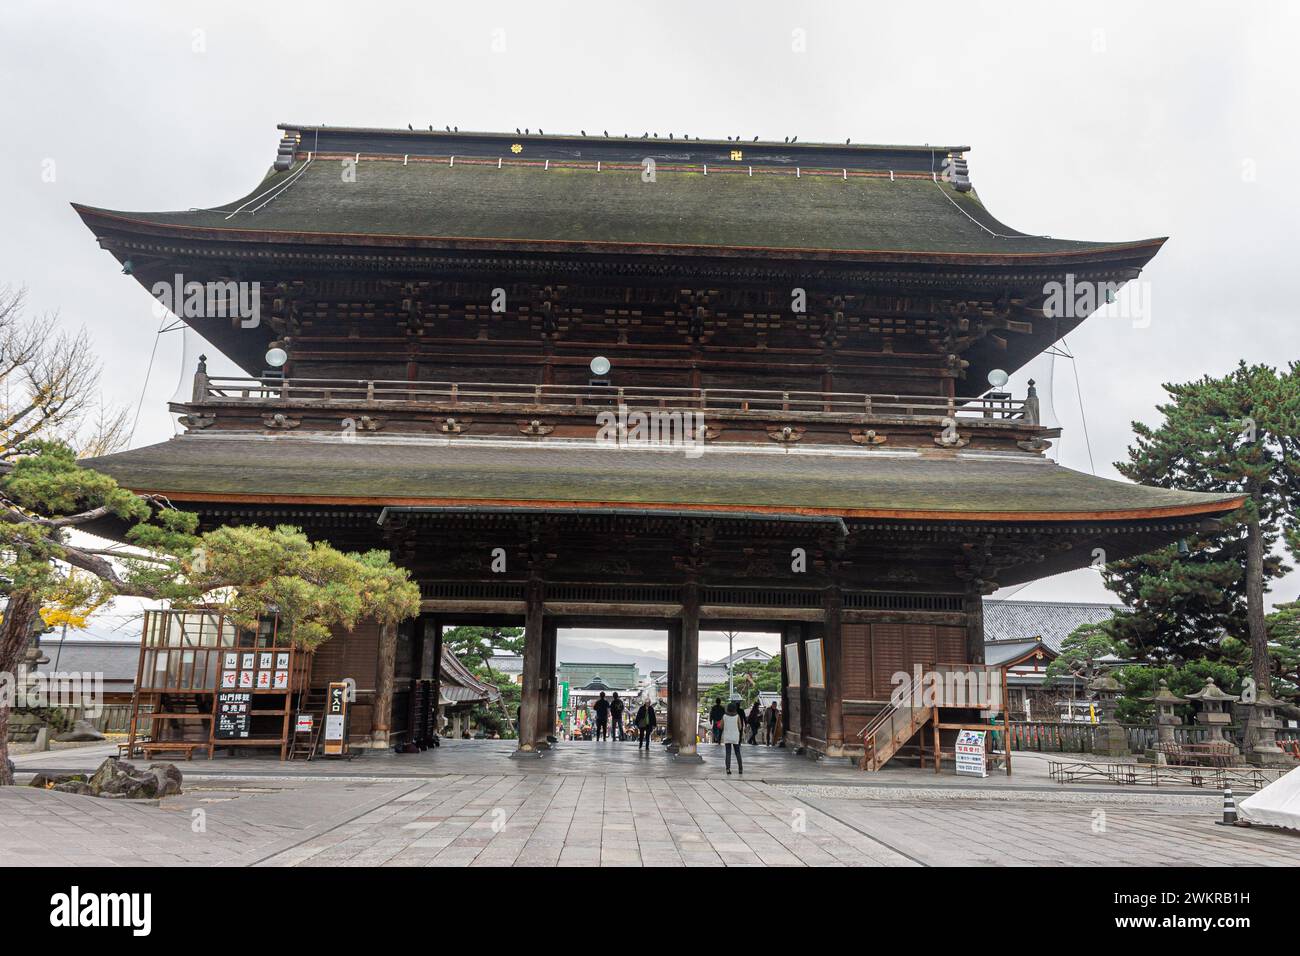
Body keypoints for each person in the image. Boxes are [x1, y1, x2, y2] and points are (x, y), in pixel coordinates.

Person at [721, 700, 744, 775]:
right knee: (738, 753)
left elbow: (721, 726)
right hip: (735, 737)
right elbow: (740, 727)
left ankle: (728, 769)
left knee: (728, 753)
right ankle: (740, 769)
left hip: (727, 736)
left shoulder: (724, 716)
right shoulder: (737, 716)